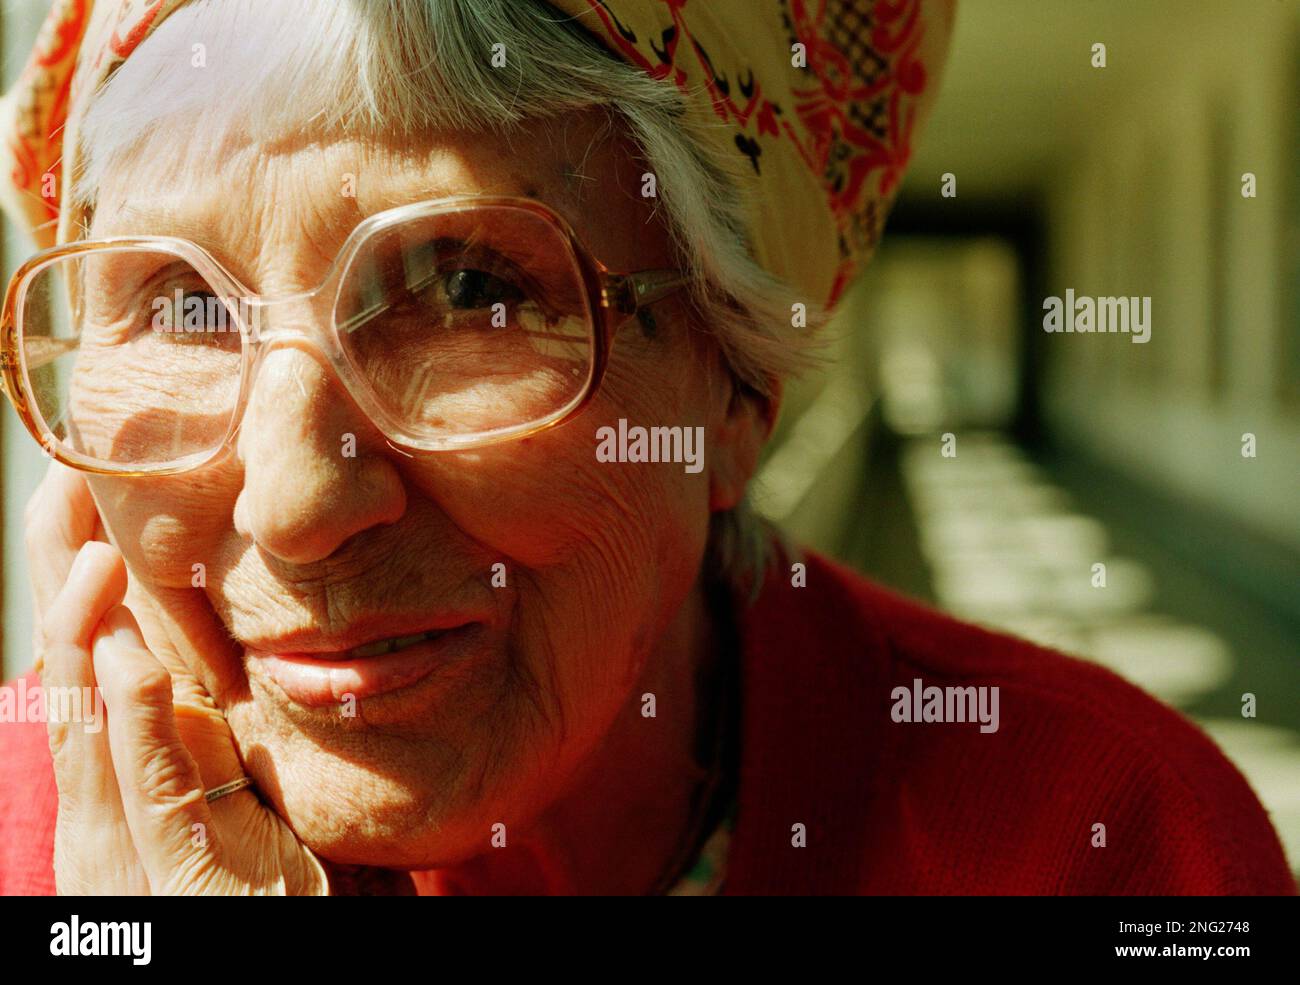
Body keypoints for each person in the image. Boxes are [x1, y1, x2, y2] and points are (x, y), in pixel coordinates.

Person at [0, 0, 1290, 895]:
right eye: (180, 307)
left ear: (736, 391)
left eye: (469, 293)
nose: (293, 501)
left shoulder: (1100, 840)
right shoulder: (29, 843)